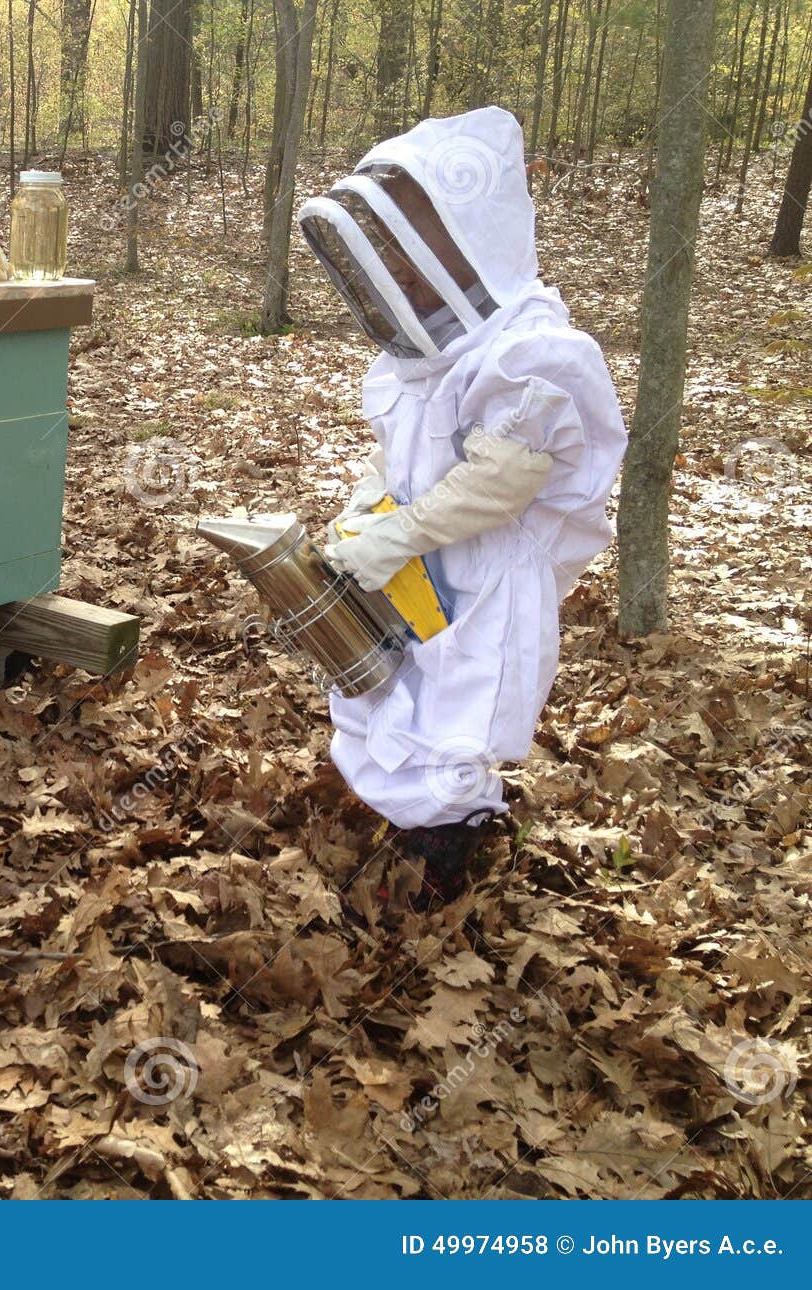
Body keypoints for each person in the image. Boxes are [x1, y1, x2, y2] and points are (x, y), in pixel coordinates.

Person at [298, 106, 627, 908]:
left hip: (488, 582)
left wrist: (398, 533)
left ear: (469, 234)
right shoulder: (420, 360)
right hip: (427, 570)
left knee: (458, 714)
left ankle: (451, 860)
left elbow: (501, 482)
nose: (404, 268)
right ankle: (418, 833)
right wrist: (367, 510)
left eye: (419, 238)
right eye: (394, 243)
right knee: (391, 691)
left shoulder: (531, 353)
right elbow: (399, 458)